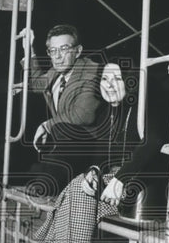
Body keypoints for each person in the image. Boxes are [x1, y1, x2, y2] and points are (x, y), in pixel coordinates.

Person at [33, 61, 169, 243]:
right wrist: (95, 170)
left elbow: (154, 140)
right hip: (114, 182)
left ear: (129, 82)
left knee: (76, 193)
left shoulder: (143, 104)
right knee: (76, 188)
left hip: (141, 181)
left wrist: (120, 178)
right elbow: (102, 154)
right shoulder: (109, 113)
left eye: (115, 79)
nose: (109, 86)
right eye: (104, 80)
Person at [18, 24, 106, 191]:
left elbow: (82, 116)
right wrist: (29, 49)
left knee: (61, 128)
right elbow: (37, 84)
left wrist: (47, 125)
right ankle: (45, 184)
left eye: (64, 49)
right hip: (64, 145)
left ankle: (47, 186)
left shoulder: (92, 71)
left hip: (92, 148)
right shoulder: (57, 70)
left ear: (78, 51)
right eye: (52, 50)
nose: (57, 57)